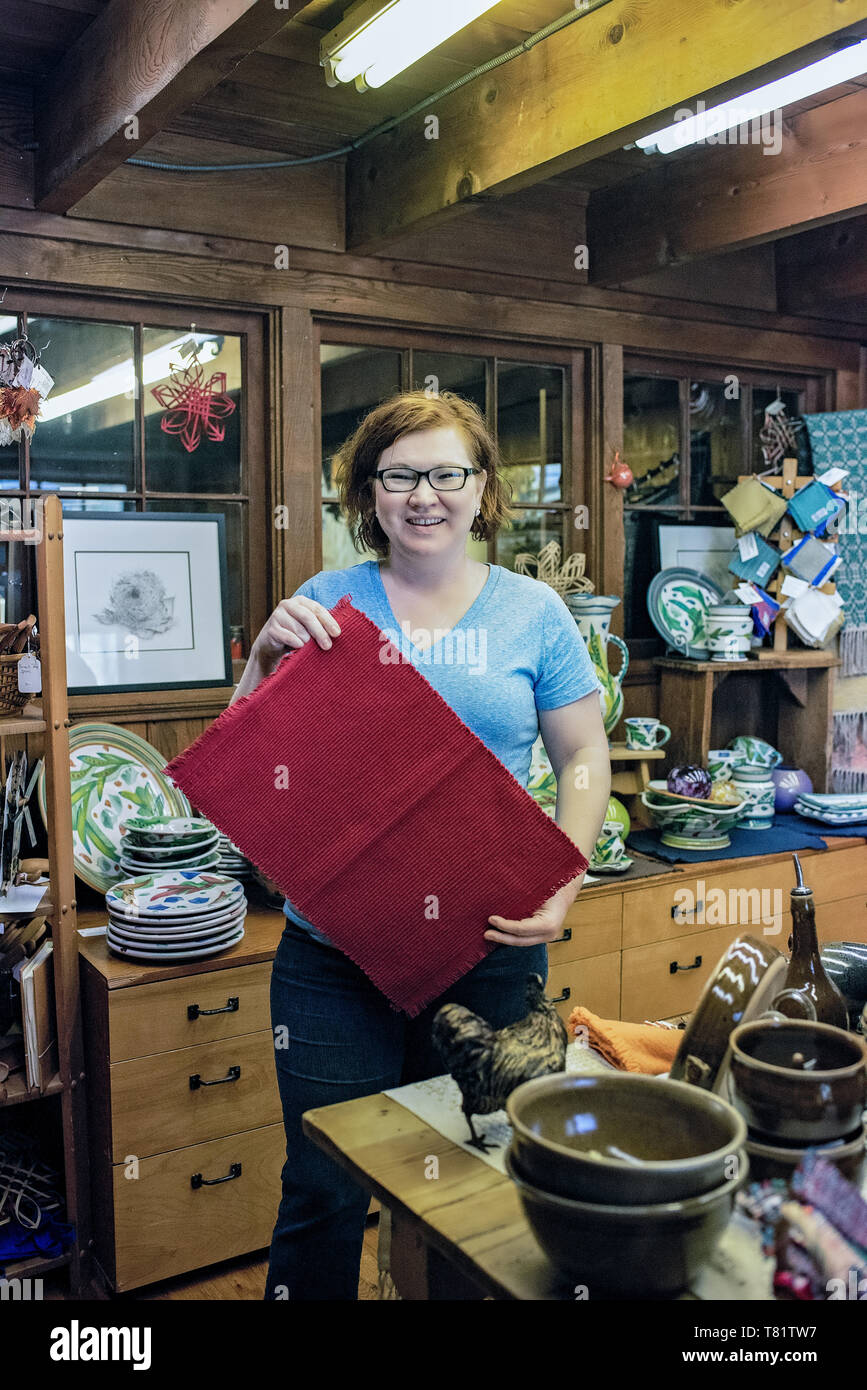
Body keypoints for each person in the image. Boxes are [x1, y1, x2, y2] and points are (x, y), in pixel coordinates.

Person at [232, 390, 611, 1300]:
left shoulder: (533, 614)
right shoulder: (326, 603)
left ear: (483, 490)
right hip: (333, 958)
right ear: (367, 494)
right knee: (323, 1183)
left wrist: (565, 876)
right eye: (399, 476)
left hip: (490, 947)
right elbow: (247, 753)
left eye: (447, 474)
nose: (424, 495)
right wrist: (258, 661)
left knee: (476, 1174)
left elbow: (583, 752)